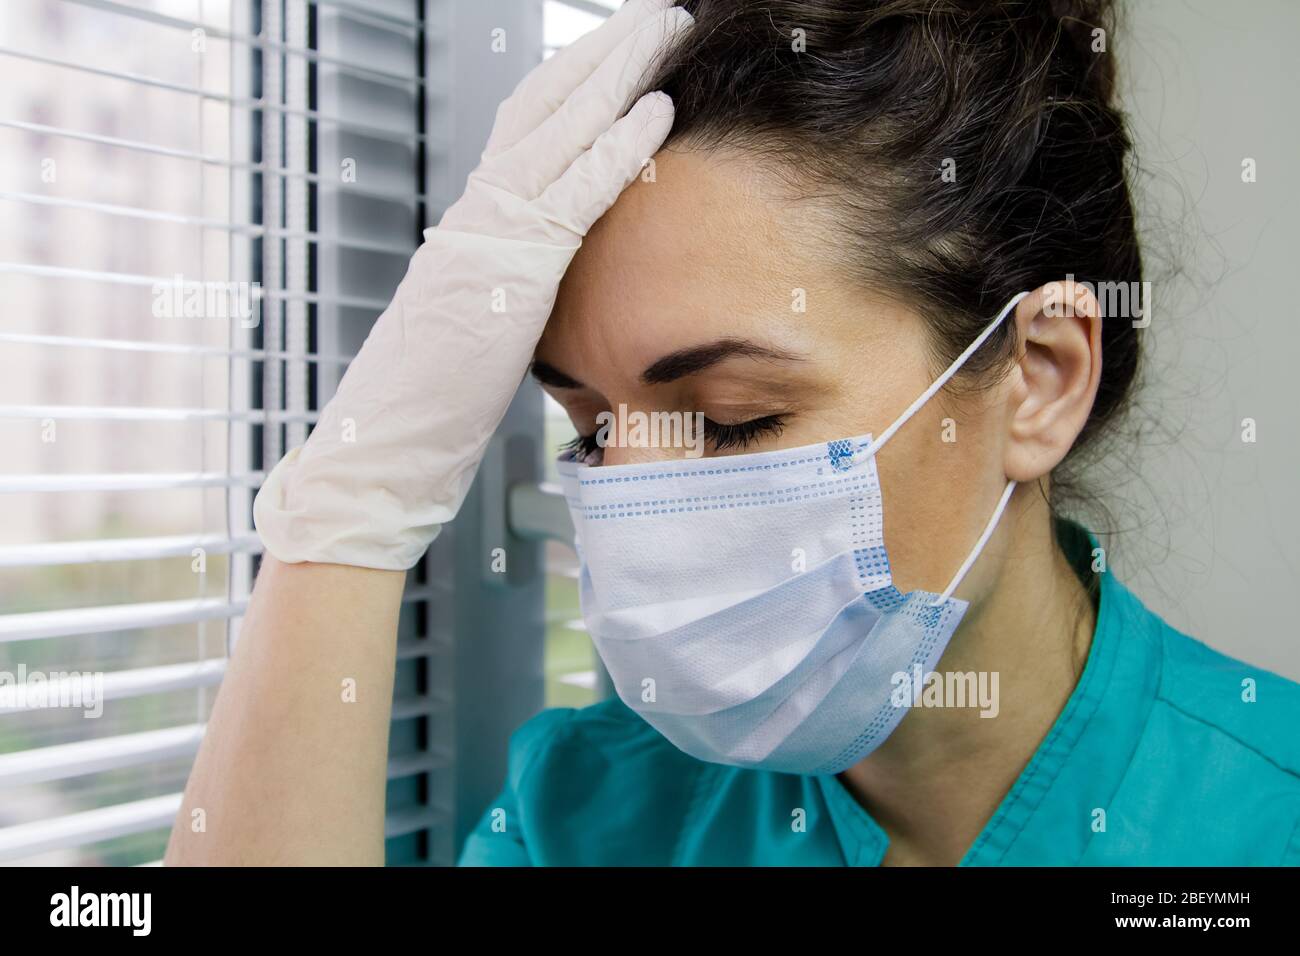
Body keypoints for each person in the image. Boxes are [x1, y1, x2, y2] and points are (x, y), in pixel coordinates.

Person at [165, 0, 1300, 867]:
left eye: (729, 420)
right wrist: (349, 511)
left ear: (1039, 381)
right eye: (592, 428)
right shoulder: (583, 812)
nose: (644, 506)